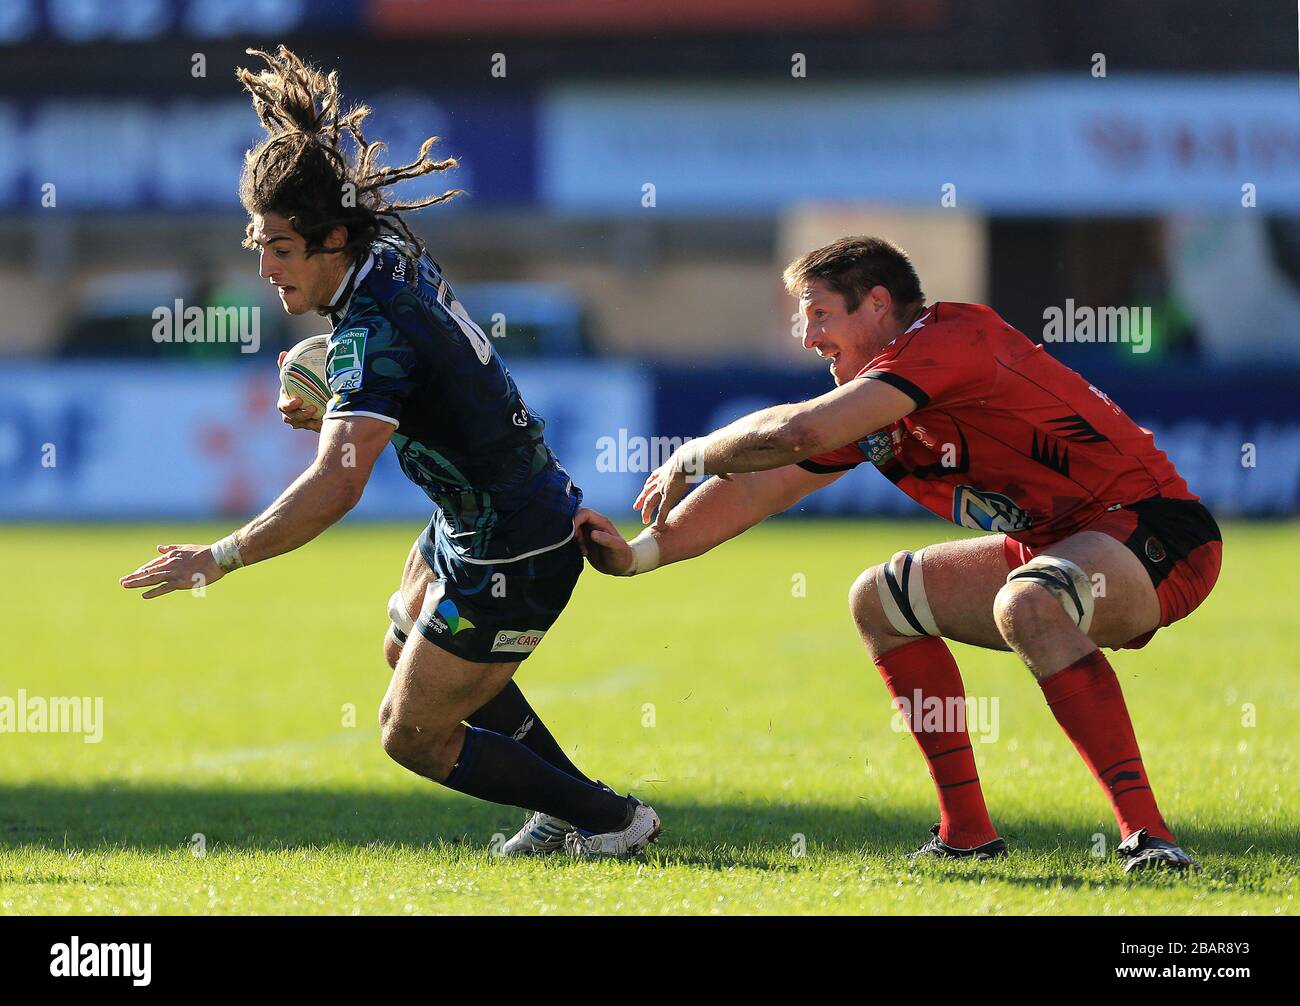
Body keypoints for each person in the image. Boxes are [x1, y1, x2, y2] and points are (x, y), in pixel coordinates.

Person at [120, 46, 659, 859]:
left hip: (517, 541)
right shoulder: (385, 263)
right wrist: (351, 406)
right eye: (258, 244)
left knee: (410, 735)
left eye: (282, 249)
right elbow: (417, 386)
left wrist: (219, 557)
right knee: (403, 640)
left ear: (333, 240)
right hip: (481, 517)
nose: (264, 268)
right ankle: (566, 807)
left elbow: (335, 490)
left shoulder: (372, 334)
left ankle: (611, 820)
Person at [575, 235, 1221, 872]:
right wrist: (640, 555)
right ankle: (966, 833)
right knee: (879, 600)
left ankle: (1150, 838)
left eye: (820, 313)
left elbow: (802, 430)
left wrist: (694, 452)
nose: (807, 335)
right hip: (1061, 542)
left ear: (878, 304)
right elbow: (757, 489)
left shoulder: (950, 339)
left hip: (1153, 532)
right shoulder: (882, 393)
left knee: (1027, 602)